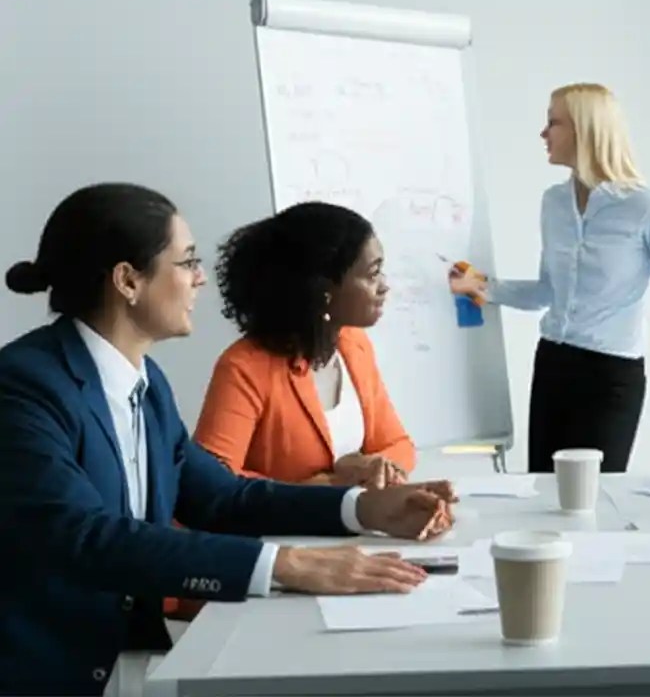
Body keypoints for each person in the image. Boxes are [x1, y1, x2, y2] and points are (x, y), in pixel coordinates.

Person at [0, 184, 456, 696]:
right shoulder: (25, 385)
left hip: (128, 657)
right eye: (186, 261)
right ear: (128, 280)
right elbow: (86, 537)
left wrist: (363, 509)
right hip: (47, 673)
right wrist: (290, 565)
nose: (200, 279)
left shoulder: (144, 383)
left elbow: (221, 497)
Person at [449, 82, 650, 473]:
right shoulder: (553, 203)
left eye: (553, 123)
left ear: (585, 130)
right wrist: (484, 289)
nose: (543, 134)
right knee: (544, 489)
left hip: (612, 375)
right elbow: (546, 292)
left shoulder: (645, 206)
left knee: (594, 496)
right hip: (555, 363)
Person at [194, 202, 413, 488]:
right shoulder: (244, 368)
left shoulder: (354, 345)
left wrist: (377, 469)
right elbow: (210, 484)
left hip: (353, 528)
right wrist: (329, 484)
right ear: (324, 289)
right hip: (278, 532)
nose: (384, 286)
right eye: (372, 274)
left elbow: (397, 444)